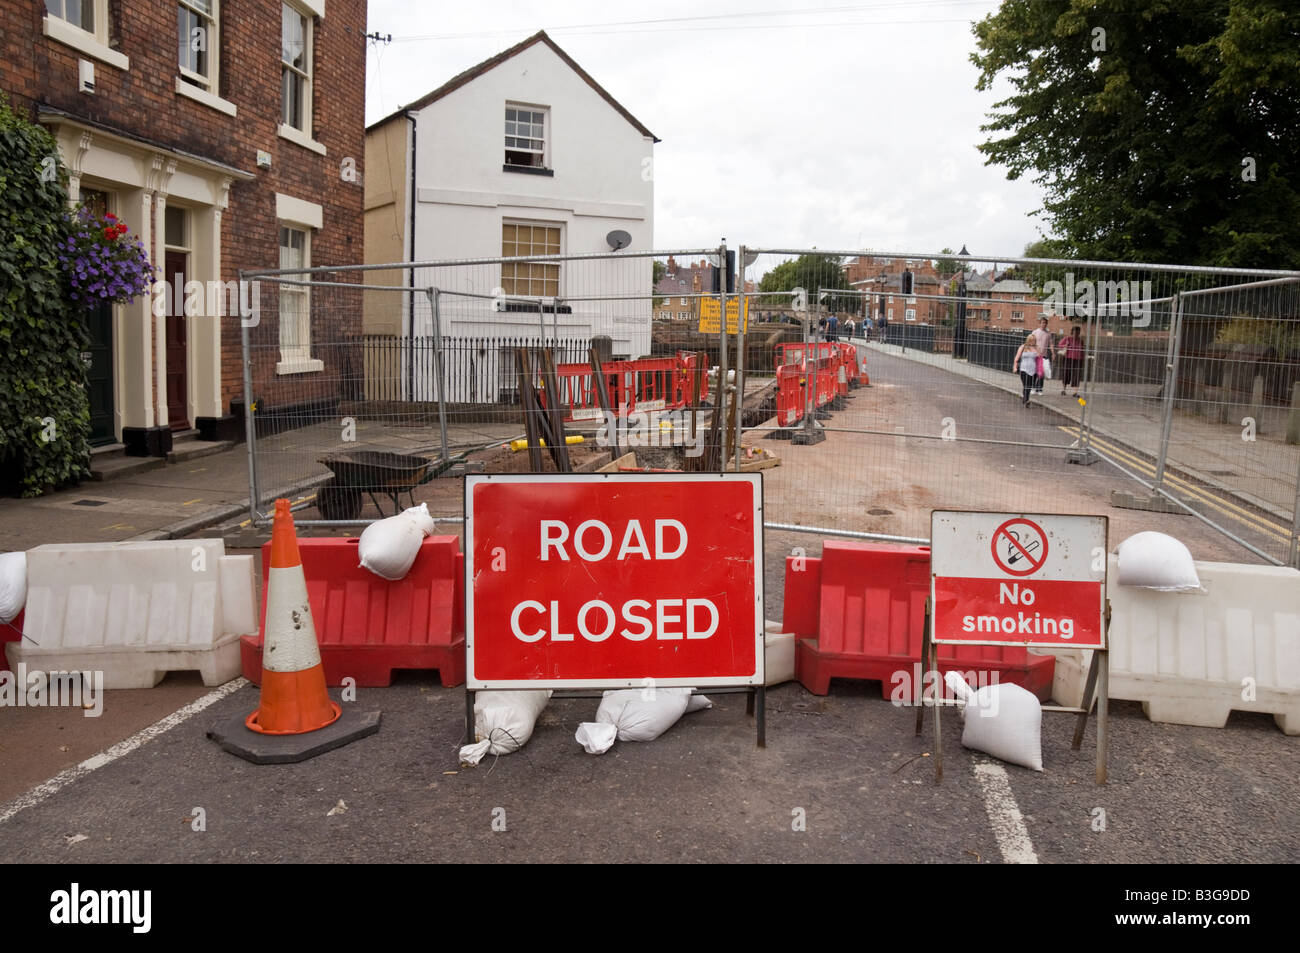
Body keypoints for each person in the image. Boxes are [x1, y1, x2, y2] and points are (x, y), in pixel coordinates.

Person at [1012, 333, 1041, 406]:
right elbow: (1016, 358)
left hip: (1034, 370)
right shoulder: (1023, 347)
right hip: (1024, 369)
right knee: (1026, 385)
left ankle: (1025, 399)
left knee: (1030, 386)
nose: (1032, 342)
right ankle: (1026, 400)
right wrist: (1015, 367)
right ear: (1028, 340)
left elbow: (1040, 359)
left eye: (1034, 340)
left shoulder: (1037, 348)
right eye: (1031, 340)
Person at [1056, 323, 1084, 396]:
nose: (1077, 333)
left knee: (1076, 375)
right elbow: (1059, 345)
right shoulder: (1067, 338)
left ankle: (1075, 392)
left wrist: (1083, 358)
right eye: (1075, 332)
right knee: (1066, 373)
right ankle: (1063, 389)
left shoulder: (1081, 341)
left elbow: (1082, 350)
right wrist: (1066, 345)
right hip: (1068, 358)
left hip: (1078, 360)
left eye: (1078, 332)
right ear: (1072, 332)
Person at [1030, 316, 1053, 394]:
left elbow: (1051, 344)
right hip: (1035, 355)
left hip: (1044, 355)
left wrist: (1053, 353)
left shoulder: (1048, 333)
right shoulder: (1035, 332)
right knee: (1035, 372)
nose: (1044, 324)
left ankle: (1039, 389)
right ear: (1040, 323)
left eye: (1046, 323)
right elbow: (1031, 343)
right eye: (1043, 323)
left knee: (1041, 373)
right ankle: (1033, 387)